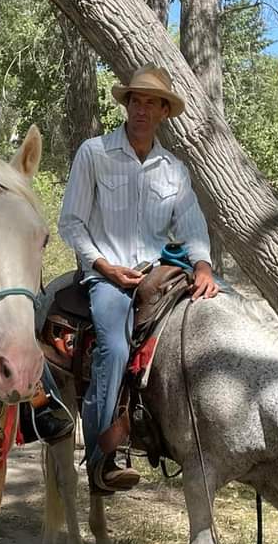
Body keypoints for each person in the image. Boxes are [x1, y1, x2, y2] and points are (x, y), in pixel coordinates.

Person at [58, 65, 218, 492]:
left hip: (158, 275)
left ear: (165, 112)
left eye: (152, 103)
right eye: (136, 101)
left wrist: (202, 265)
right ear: (126, 105)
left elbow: (192, 228)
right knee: (111, 345)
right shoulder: (94, 153)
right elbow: (71, 223)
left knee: (217, 319)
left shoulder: (174, 170)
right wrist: (103, 266)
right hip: (105, 276)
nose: (142, 110)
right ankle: (103, 457)